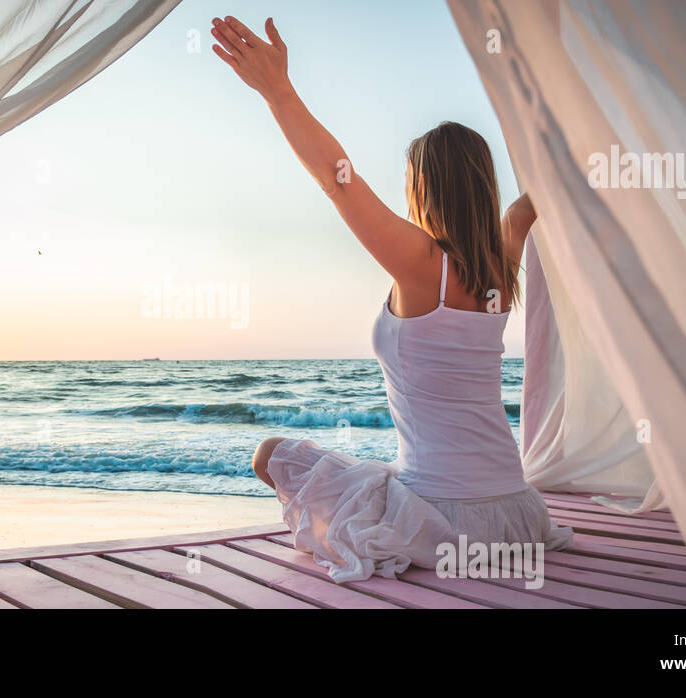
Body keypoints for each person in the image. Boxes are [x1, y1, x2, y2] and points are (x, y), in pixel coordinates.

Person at [210, 15, 572, 581]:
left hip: (447, 527)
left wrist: (278, 90)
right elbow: (547, 184)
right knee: (379, 473)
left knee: (270, 454)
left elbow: (338, 180)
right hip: (518, 518)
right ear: (482, 186)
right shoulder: (502, 257)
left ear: (421, 188)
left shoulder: (422, 262)